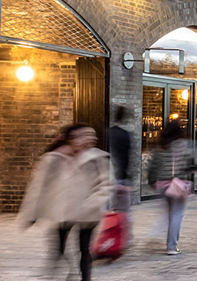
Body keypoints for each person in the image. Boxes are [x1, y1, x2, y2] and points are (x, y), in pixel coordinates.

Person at [19, 123, 112, 281]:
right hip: (63, 212)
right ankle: (62, 274)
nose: (89, 138)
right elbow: (40, 187)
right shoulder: (55, 158)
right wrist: (31, 214)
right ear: (71, 139)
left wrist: (90, 204)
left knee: (84, 250)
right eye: (83, 135)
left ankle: (85, 277)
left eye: (91, 134)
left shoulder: (99, 158)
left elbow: (106, 185)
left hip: (88, 215)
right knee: (58, 249)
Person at [147, 118, 197, 255]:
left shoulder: (160, 147)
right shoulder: (188, 145)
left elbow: (152, 166)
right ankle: (172, 246)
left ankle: (159, 234)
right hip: (180, 185)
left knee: (169, 213)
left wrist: (152, 181)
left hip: (163, 184)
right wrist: (189, 170)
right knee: (177, 214)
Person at [105, 106, 132, 208]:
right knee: (123, 207)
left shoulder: (107, 132)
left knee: (109, 205)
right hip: (120, 175)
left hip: (109, 173)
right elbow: (127, 157)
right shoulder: (125, 134)